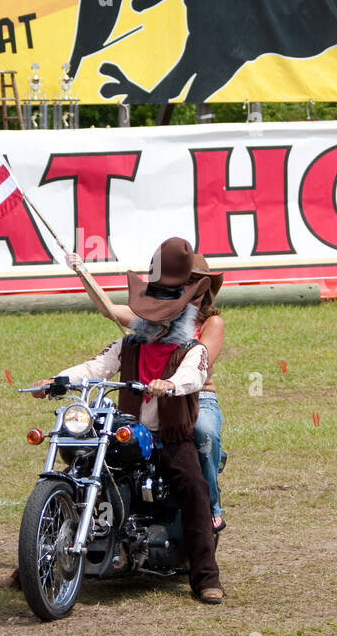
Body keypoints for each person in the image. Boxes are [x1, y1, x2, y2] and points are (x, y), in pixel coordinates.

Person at [36, 237, 224, 605]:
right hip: (127, 431)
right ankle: (34, 565)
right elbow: (96, 367)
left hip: (171, 434)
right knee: (82, 470)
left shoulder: (193, 348)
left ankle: (205, 576)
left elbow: (195, 376)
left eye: (163, 309)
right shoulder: (129, 344)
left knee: (193, 487)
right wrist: (57, 379)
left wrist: (169, 384)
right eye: (149, 308)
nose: (154, 316)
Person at [64, 250, 226, 533]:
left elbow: (200, 366)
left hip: (195, 397)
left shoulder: (212, 323)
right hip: (147, 393)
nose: (189, 289)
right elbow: (109, 310)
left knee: (203, 433)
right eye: (184, 282)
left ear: (206, 291)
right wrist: (83, 273)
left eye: (196, 284)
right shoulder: (152, 317)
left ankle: (211, 505)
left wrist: (171, 381)